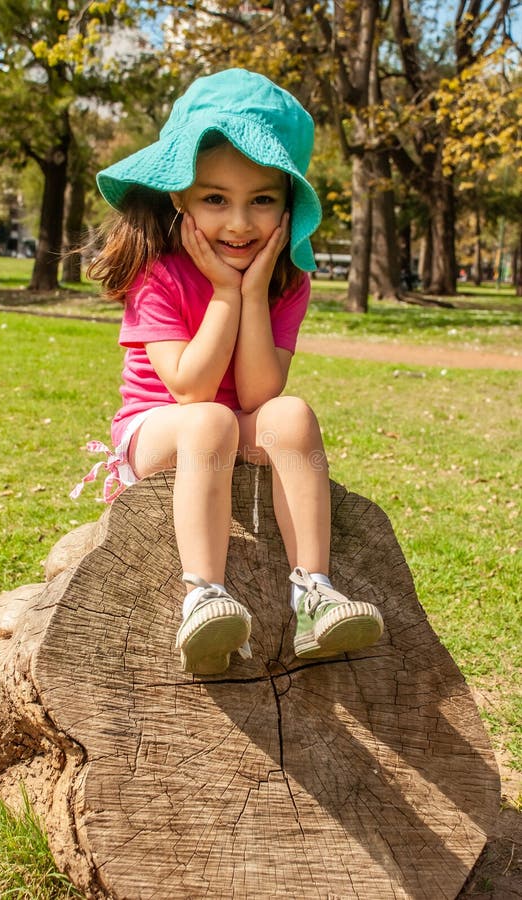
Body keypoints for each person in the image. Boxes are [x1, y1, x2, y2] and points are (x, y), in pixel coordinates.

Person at [72, 69, 383, 675]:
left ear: (288, 208)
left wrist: (257, 287)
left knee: (292, 415)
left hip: (231, 419)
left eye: (261, 200)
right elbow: (187, 386)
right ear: (179, 198)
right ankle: (203, 595)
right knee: (209, 418)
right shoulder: (158, 272)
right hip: (156, 427)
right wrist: (223, 290)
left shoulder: (287, 281)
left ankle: (313, 593)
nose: (239, 224)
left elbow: (263, 391)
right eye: (216, 199)